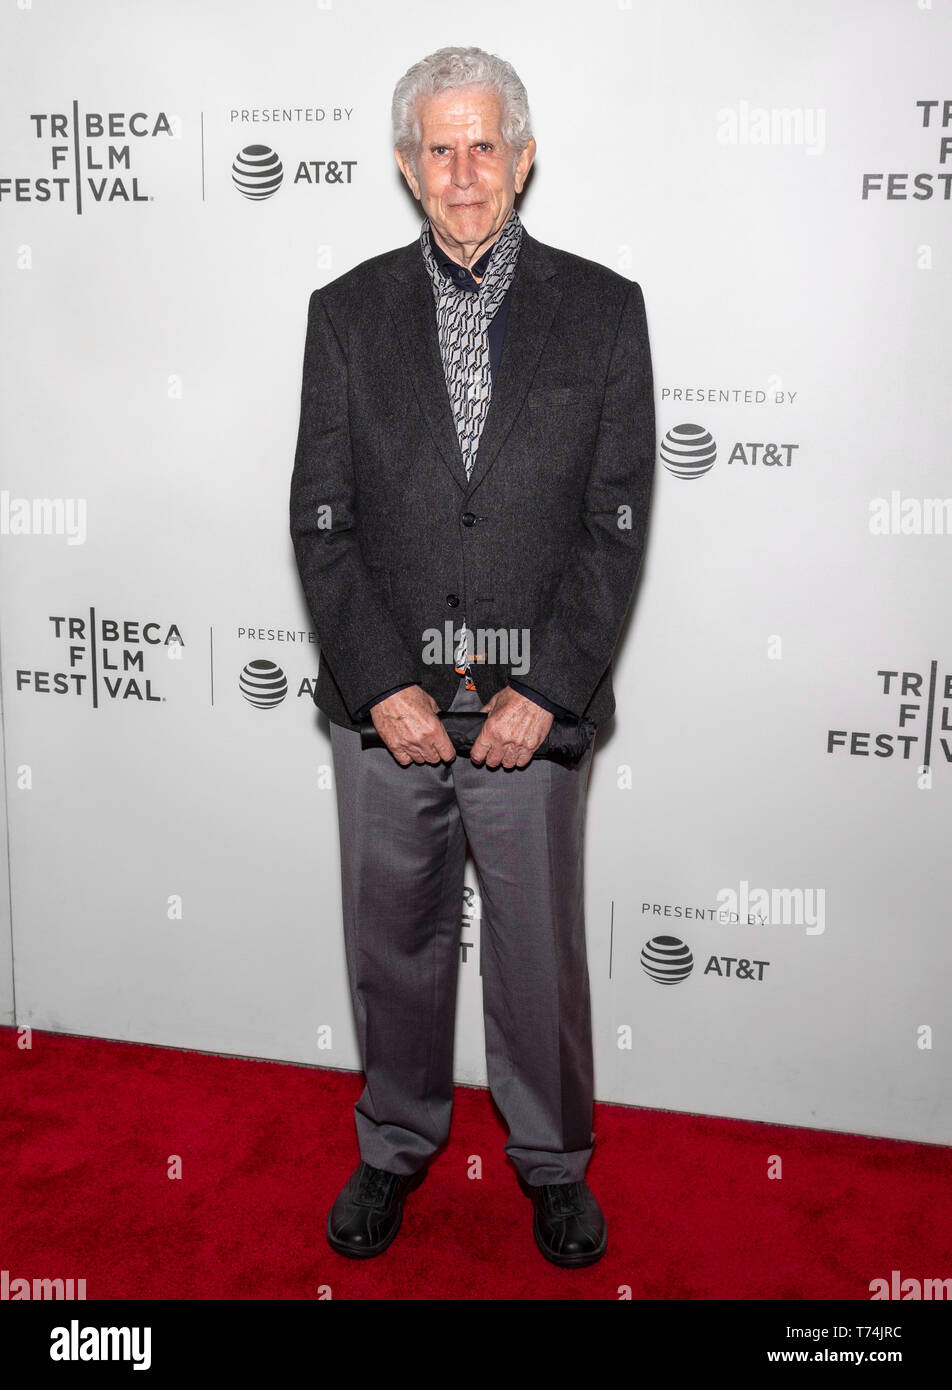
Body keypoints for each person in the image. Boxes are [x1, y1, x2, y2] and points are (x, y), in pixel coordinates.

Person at [289, 45, 654, 1268]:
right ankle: (393, 1142)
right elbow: (322, 517)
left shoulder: (605, 310)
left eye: (482, 144)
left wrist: (545, 688)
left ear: (524, 155)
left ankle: (552, 1164)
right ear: (404, 165)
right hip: (385, 706)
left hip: (529, 712)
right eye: (436, 148)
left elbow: (614, 521)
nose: (462, 173)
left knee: (538, 953)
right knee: (391, 940)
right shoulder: (341, 315)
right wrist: (384, 681)